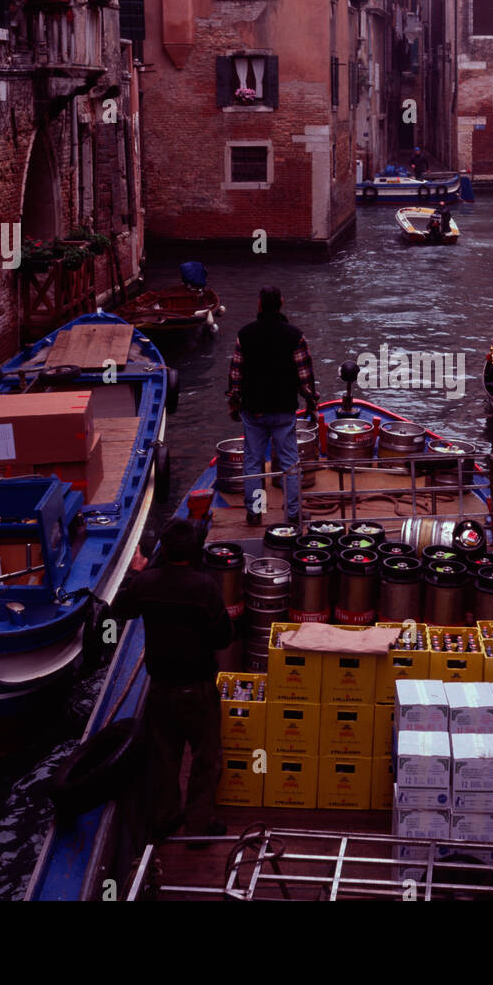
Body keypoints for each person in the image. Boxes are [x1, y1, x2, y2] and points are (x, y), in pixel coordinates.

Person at [115, 517, 232, 843]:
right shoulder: (205, 587)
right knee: (205, 757)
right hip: (197, 689)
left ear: (164, 550)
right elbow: (224, 637)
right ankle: (198, 825)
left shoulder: (146, 584)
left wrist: (135, 572)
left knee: (165, 757)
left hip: (160, 688)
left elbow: (120, 609)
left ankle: (165, 819)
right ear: (194, 551)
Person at [227, 286, 319, 526]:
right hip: (282, 409)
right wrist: (311, 403)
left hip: (253, 410)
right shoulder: (294, 335)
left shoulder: (244, 335)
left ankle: (255, 512)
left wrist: (234, 403)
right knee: (289, 463)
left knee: (253, 462)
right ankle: (291, 514)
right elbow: (305, 378)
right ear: (282, 303)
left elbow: (236, 375)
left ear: (259, 305)